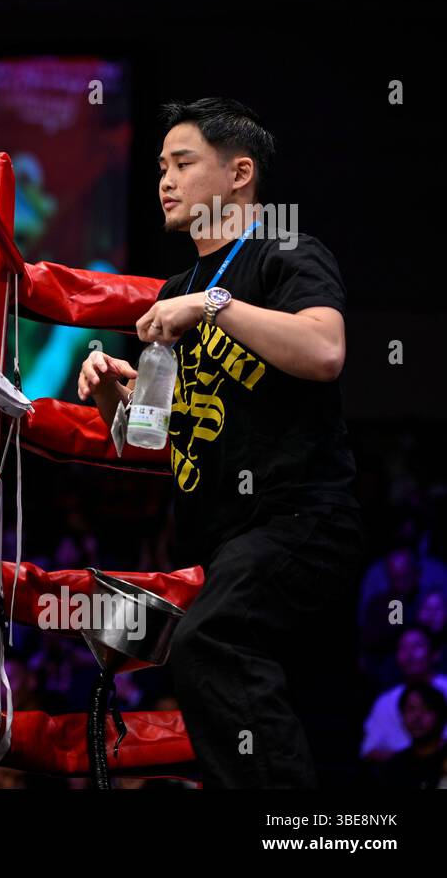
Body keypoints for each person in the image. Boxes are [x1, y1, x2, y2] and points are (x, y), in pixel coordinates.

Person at [78, 97, 362, 787]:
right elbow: (159, 430)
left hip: (299, 520)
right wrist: (116, 390)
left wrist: (215, 307)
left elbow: (326, 350)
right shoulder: (182, 286)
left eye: (182, 164)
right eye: (159, 168)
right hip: (223, 538)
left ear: (239, 174)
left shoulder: (285, 251)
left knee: (209, 641)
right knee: (300, 709)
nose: (164, 182)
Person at [361, 626, 447, 760]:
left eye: (417, 646)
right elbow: (369, 751)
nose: (409, 654)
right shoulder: (385, 702)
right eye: (403, 648)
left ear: (435, 653)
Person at [377, 682, 447, 789]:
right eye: (411, 709)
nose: (417, 717)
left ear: (440, 716)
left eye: (426, 709)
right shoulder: (395, 767)